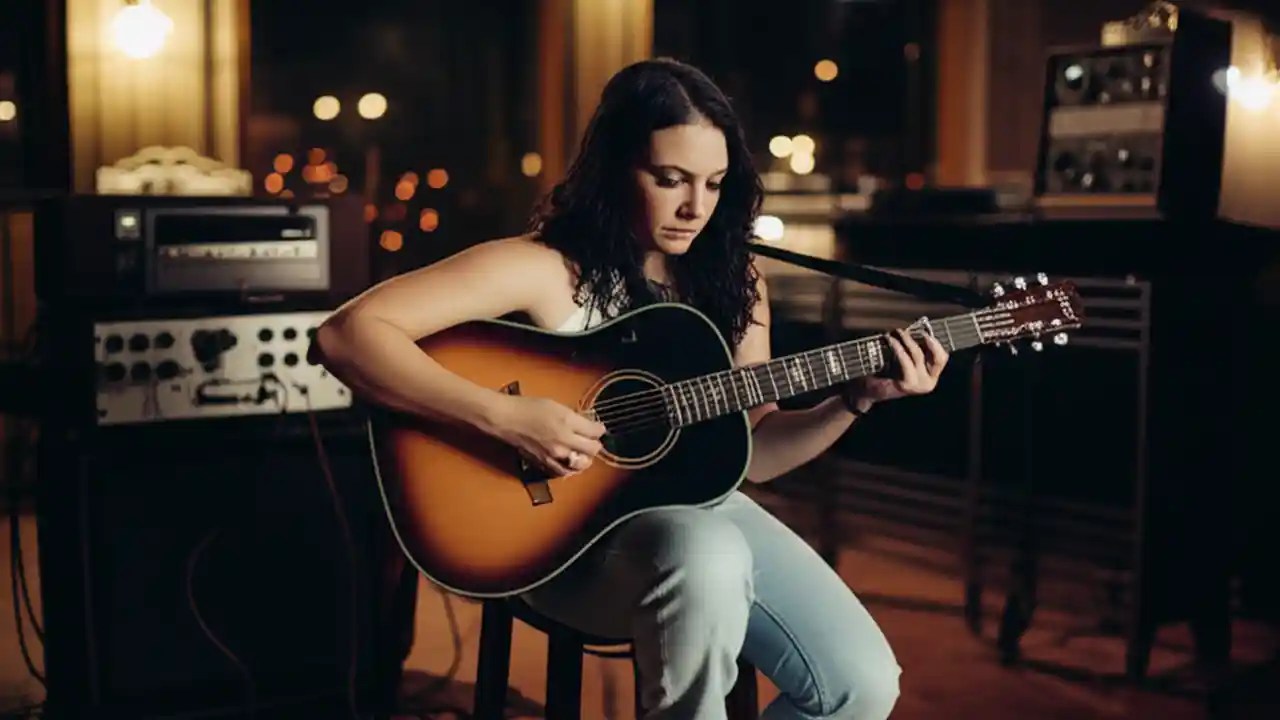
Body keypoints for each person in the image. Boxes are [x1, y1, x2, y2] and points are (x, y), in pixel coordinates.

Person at [313, 57, 949, 720]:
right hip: (560, 539)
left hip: (704, 517)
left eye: (713, 183)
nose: (695, 207)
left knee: (860, 685)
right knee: (707, 554)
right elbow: (347, 336)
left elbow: (752, 451)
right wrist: (502, 416)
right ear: (615, 168)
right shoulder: (542, 269)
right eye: (669, 179)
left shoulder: (737, 283)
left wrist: (853, 401)